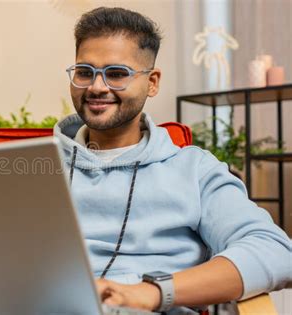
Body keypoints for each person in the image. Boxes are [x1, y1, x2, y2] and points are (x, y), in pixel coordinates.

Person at [53, 7, 291, 314]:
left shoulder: (194, 170)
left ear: (152, 82)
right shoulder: (35, 166)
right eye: (85, 72)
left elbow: (274, 250)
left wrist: (151, 292)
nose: (97, 87)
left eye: (116, 74)